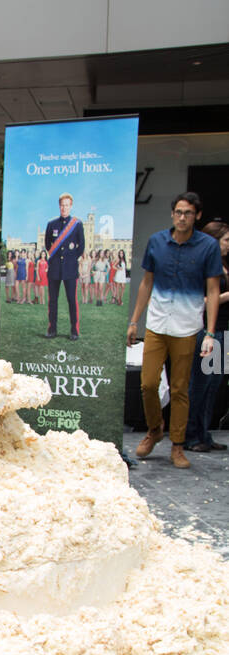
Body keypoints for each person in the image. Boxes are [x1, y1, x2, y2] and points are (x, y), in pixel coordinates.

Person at [128, 191, 222, 470]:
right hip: (156, 324)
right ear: (172, 214)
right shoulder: (157, 241)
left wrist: (211, 332)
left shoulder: (207, 246)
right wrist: (134, 321)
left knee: (181, 389)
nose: (182, 217)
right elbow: (146, 283)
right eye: (179, 212)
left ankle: (178, 445)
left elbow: (213, 289)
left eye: (188, 213)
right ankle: (155, 429)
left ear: (197, 216)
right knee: (147, 384)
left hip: (187, 326)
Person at [184, 220, 229, 453]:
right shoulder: (202, 267)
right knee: (201, 384)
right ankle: (191, 435)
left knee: (214, 385)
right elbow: (198, 302)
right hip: (207, 331)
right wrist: (224, 296)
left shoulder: (222, 265)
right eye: (226, 240)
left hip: (224, 330)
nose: (228, 245)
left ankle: (204, 433)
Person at [45, 192, 84, 339]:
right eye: (62, 205)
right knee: (53, 301)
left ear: (71, 206)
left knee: (72, 301)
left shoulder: (77, 225)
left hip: (70, 269)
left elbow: (81, 247)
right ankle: (52, 329)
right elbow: (48, 244)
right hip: (54, 268)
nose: (64, 208)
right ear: (59, 206)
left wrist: (71, 259)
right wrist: (56, 259)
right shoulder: (52, 224)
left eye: (67, 205)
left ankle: (74, 330)